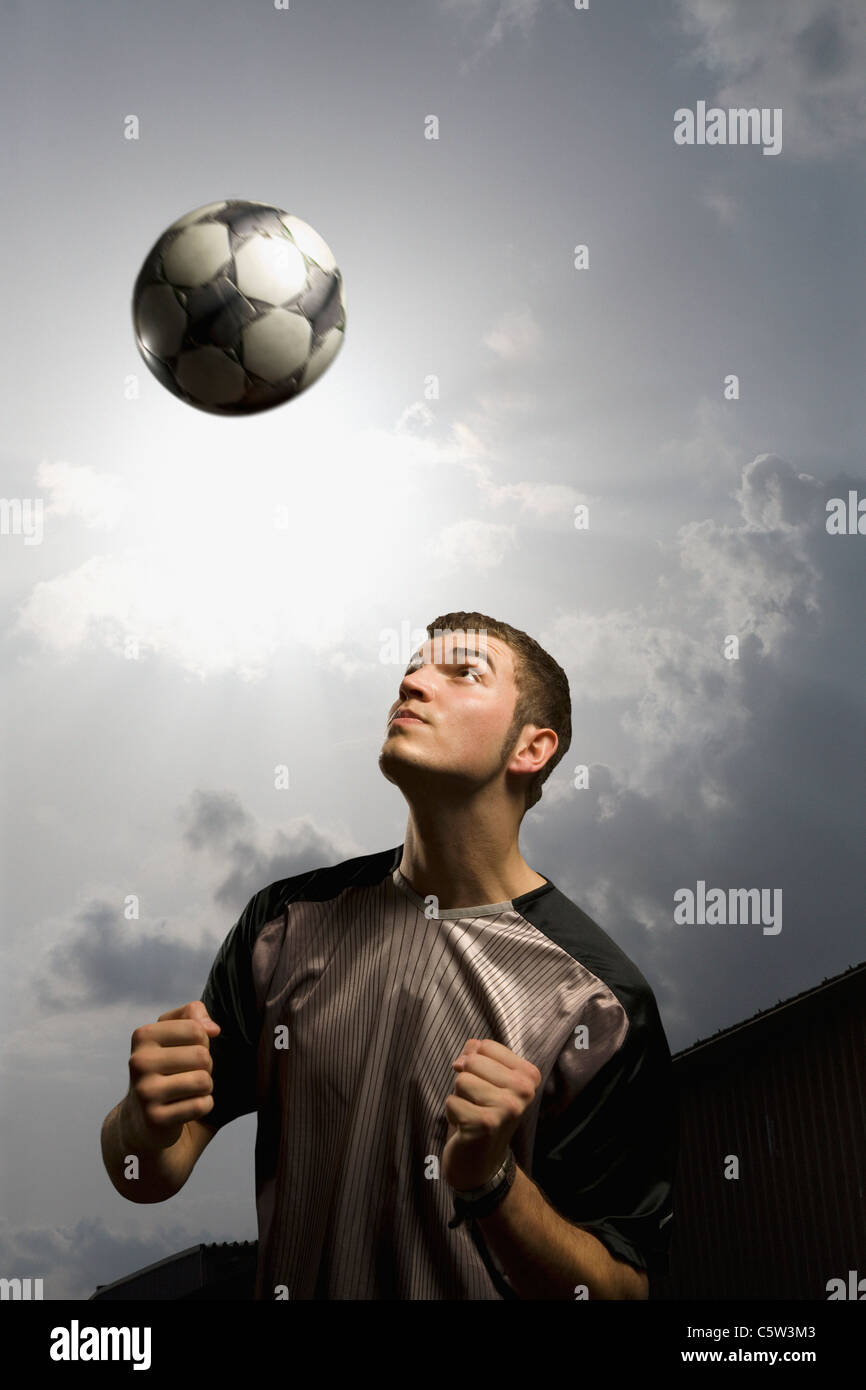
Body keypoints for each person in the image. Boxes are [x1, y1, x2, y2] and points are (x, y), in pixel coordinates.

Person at [101, 610, 678, 1300]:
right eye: (413, 667)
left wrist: (493, 1183)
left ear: (531, 747)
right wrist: (139, 1122)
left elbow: (622, 1290)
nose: (413, 682)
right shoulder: (283, 925)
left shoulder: (599, 1003)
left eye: (463, 673)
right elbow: (150, 1175)